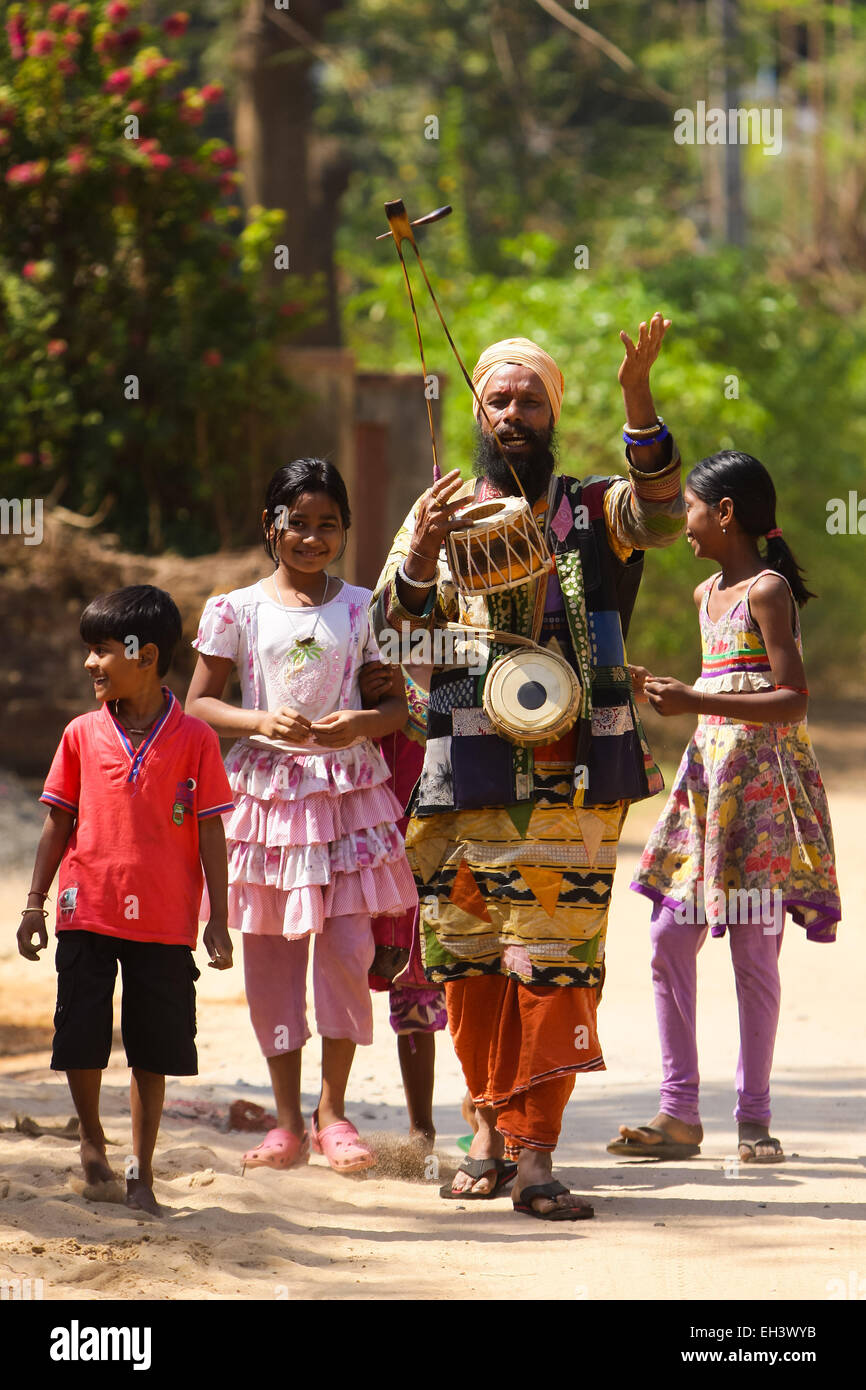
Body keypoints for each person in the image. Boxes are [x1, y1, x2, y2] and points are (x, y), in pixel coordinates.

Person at [371, 319, 685, 1218]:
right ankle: (486, 1132)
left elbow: (663, 512)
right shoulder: (440, 509)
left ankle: (536, 1154)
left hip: (575, 778)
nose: (513, 413)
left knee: (553, 963)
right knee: (469, 962)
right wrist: (427, 549)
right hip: (461, 771)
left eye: (530, 399)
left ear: (554, 412)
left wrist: (639, 398)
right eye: (499, 399)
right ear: (480, 411)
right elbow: (395, 633)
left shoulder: (592, 507)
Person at [609, 450, 841, 1164]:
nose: (684, 521)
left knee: (753, 953)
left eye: (692, 508)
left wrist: (697, 700)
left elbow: (793, 699)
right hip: (709, 784)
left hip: (764, 793)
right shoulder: (705, 594)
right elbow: (718, 688)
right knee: (667, 939)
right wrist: (674, 692)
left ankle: (754, 1120)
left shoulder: (767, 591)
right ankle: (679, 1114)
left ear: (728, 512)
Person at [186, 458, 417, 1175]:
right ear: (271, 526)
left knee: (347, 952)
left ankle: (333, 1114)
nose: (311, 538)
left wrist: (362, 723)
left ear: (345, 531)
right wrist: (259, 718)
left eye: (327, 525)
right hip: (268, 803)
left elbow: (395, 708)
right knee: (274, 958)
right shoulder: (236, 609)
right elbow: (198, 704)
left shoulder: (361, 608)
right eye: (298, 523)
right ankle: (286, 1122)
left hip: (349, 799)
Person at [16, 585, 235, 1218]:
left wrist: (217, 917)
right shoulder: (81, 733)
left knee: (153, 1044)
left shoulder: (195, 738)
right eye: (88, 650)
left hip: (166, 918)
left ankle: (141, 1170)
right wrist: (35, 901)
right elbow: (58, 820)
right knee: (81, 1030)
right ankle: (91, 1142)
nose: (90, 664)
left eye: (102, 650)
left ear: (145, 655)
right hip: (86, 906)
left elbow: (211, 830)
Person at [361, 662, 447, 1150]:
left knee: (478, 981)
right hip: (398, 845)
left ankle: (488, 1115)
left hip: (470, 845)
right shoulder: (377, 669)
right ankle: (422, 1131)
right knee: (411, 981)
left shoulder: (485, 660)